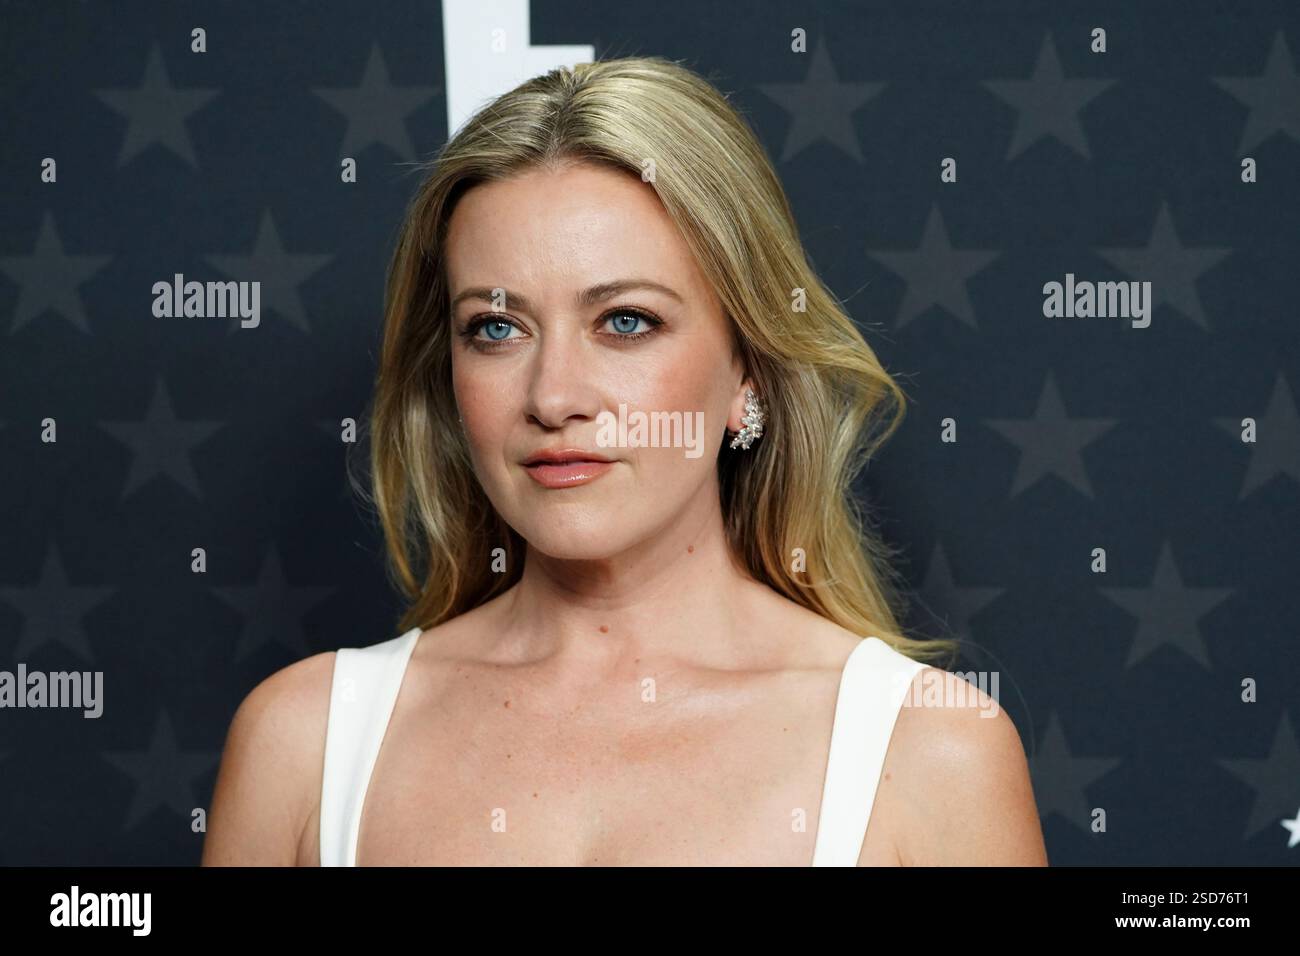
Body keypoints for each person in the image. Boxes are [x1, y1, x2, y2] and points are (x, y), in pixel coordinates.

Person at [201, 56, 1048, 867]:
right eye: (496, 329)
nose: (554, 395)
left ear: (748, 372)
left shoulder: (934, 755)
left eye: (626, 322)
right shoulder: (302, 743)